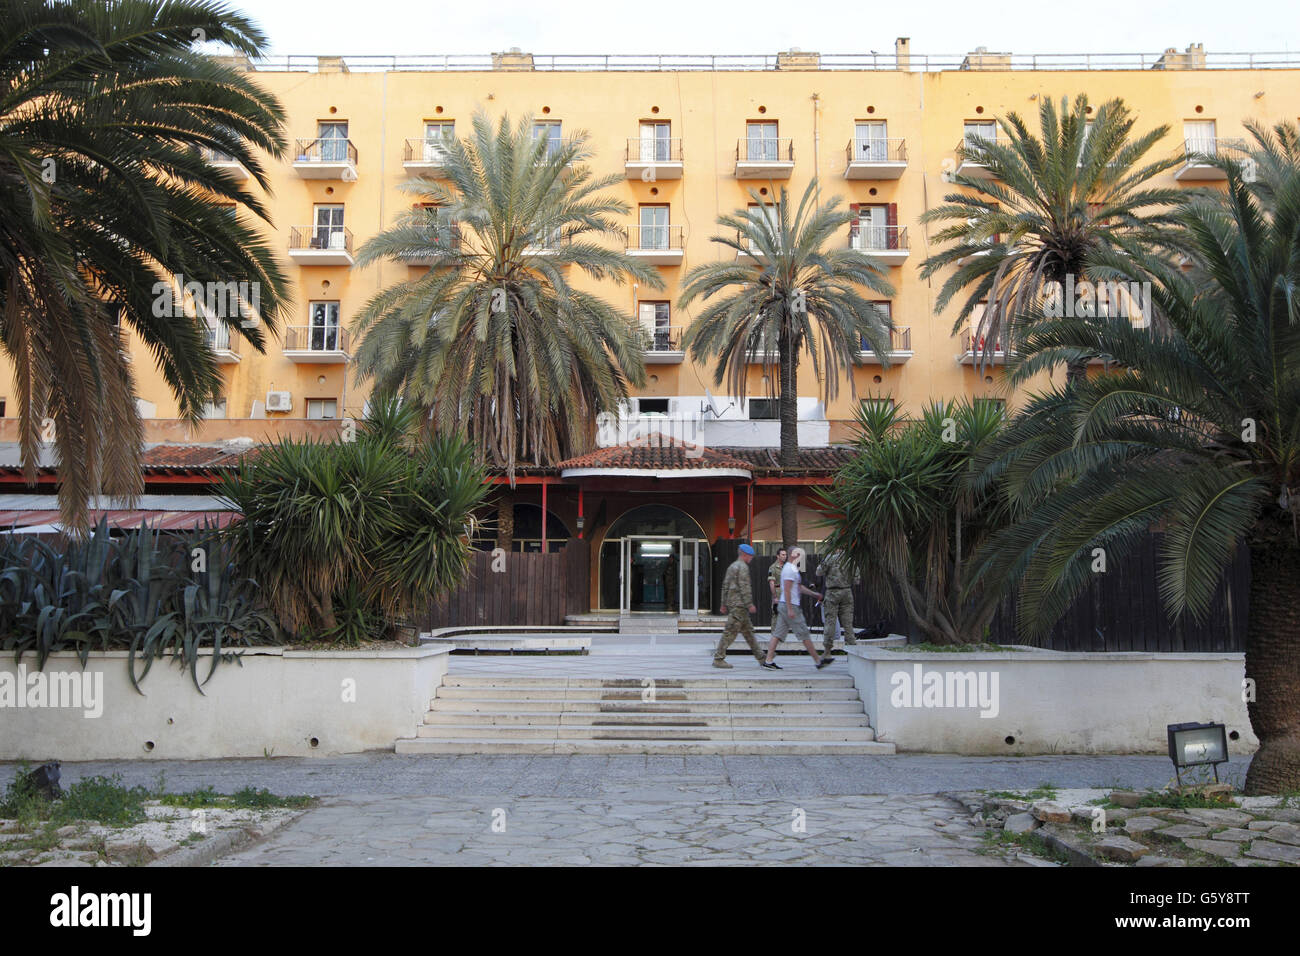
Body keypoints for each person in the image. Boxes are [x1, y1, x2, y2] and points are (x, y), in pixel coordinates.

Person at [763, 547, 833, 670]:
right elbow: (788, 589)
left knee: (777, 634)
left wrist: (814, 594)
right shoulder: (790, 569)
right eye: (797, 553)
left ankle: (768, 660)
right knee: (804, 633)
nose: (799, 555)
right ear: (792, 555)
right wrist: (790, 609)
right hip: (790, 606)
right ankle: (818, 661)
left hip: (785, 605)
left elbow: (798, 587)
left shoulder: (792, 568)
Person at [713, 544, 765, 669]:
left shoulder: (732, 566)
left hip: (734, 604)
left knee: (748, 633)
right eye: (751, 556)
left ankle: (762, 657)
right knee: (730, 632)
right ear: (745, 555)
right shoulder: (742, 567)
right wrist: (750, 604)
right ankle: (718, 658)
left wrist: (723, 603)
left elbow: (725, 585)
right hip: (739, 605)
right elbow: (744, 587)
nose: (751, 558)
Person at [818, 547, 856, 657]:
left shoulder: (829, 559)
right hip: (847, 592)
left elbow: (818, 572)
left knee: (830, 622)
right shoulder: (850, 560)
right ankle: (852, 649)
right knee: (848, 623)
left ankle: (827, 651)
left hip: (832, 593)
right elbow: (857, 579)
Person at [767, 547, 788, 618]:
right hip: (778, 592)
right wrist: (775, 597)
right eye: (783, 555)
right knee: (776, 616)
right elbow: (771, 583)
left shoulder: (786, 567)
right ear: (778, 556)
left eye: (785, 555)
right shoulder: (773, 568)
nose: (785, 556)